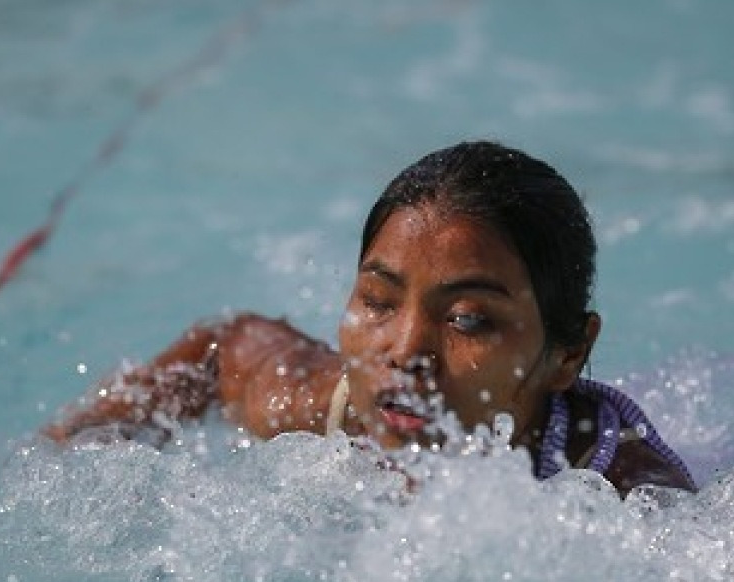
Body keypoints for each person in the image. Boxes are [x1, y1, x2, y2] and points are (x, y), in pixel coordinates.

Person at [43, 140, 696, 496]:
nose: (403, 349)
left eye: (468, 319)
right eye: (378, 303)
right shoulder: (335, 407)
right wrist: (78, 443)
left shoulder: (625, 497)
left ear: (568, 355)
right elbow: (224, 347)